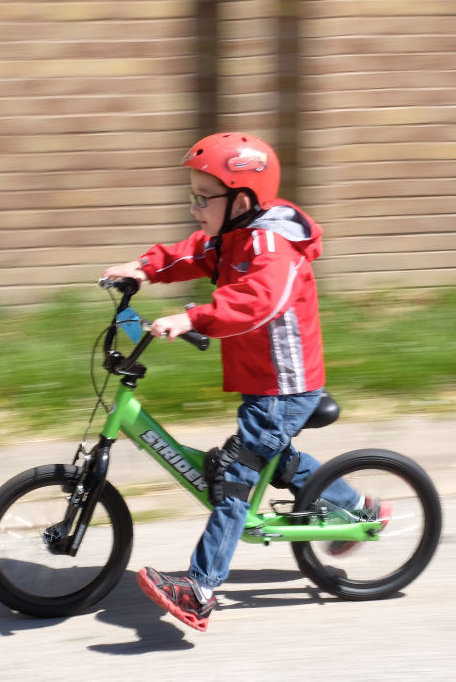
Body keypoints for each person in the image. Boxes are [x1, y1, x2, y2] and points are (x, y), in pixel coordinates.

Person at [102, 132, 387, 632]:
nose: (195, 208)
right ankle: (360, 508)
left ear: (242, 199)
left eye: (202, 197)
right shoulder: (233, 236)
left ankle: (200, 590)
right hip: (264, 381)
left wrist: (194, 317)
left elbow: (259, 300)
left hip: (284, 384)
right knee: (274, 457)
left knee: (235, 475)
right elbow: (194, 254)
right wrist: (144, 269)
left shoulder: (272, 245)